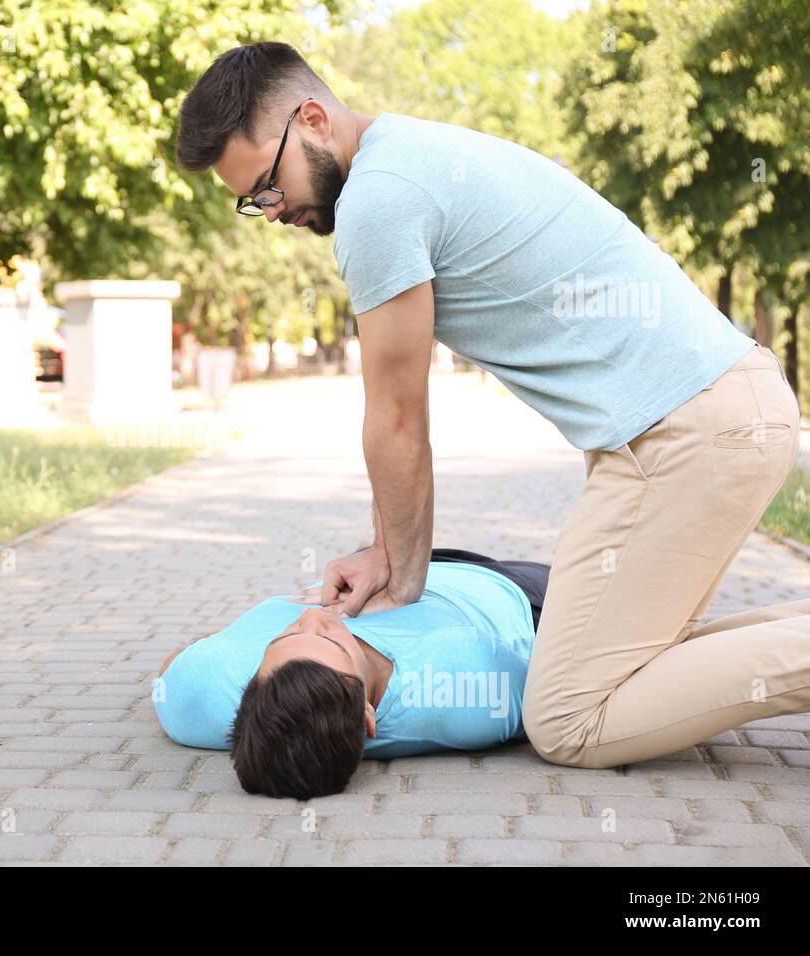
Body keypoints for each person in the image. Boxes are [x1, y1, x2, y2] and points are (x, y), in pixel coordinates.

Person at [174, 41, 810, 770]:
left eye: (267, 185)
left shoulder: (378, 203)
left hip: (688, 433)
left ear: (313, 118)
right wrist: (384, 549)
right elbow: (396, 411)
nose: (271, 211)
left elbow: (398, 418)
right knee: (623, 664)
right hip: (710, 414)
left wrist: (405, 579)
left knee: (568, 717)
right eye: (252, 201)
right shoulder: (411, 157)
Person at [153, 548, 551, 799]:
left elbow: (174, 667)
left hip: (369, 565)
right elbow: (559, 692)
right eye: (333, 642)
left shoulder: (200, 696)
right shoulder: (460, 680)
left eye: (283, 637)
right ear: (366, 715)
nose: (311, 615)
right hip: (497, 588)